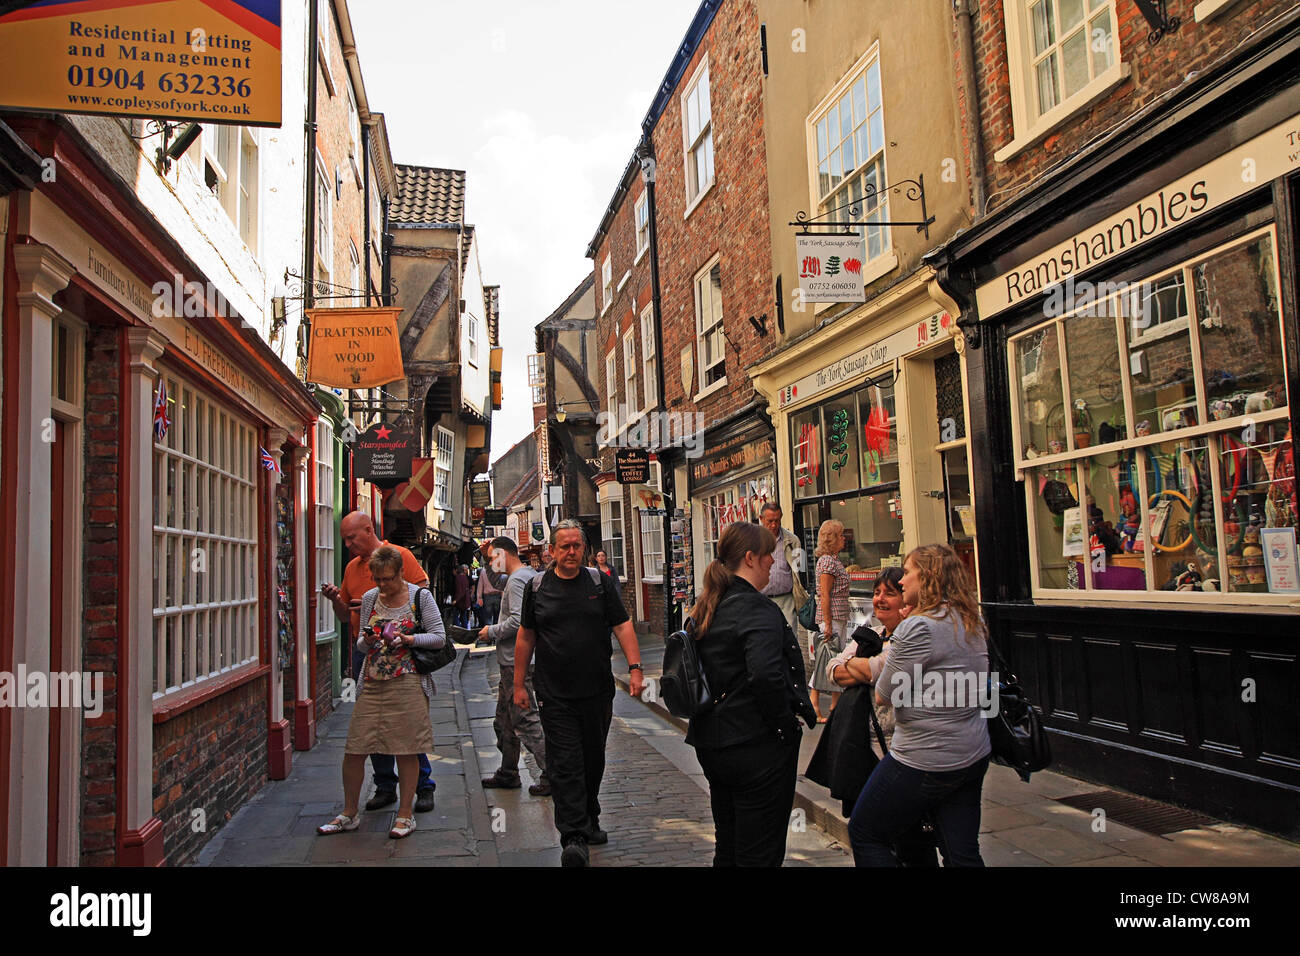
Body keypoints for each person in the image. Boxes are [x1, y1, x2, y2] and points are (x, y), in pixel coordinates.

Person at [847, 544, 992, 867]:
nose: (902, 582)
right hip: (972, 752)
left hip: (924, 756)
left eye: (909, 572)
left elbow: (885, 693)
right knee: (961, 851)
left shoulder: (919, 627)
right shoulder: (970, 619)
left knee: (866, 833)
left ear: (927, 578)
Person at [515, 519, 645, 867]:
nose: (571, 552)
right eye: (564, 546)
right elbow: (526, 636)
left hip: (596, 690)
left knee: (592, 758)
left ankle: (589, 816)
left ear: (583, 548)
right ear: (552, 551)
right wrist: (518, 684)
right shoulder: (538, 587)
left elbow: (622, 624)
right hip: (553, 692)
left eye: (576, 545)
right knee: (565, 761)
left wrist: (635, 669)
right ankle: (573, 835)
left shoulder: (599, 583)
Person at [686, 522, 817, 866]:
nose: (774, 564)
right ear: (749, 558)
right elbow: (765, 675)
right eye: (769, 557)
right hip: (755, 746)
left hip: (713, 743)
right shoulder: (758, 610)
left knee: (728, 844)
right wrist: (785, 726)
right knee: (759, 851)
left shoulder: (706, 607)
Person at [318, 547, 447, 839]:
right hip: (373, 682)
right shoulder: (370, 599)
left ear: (401, 572)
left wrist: (408, 638)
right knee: (355, 749)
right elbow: (361, 646)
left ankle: (404, 815)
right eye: (377, 579)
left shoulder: (420, 597)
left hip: (408, 682)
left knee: (405, 749)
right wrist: (368, 640)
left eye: (388, 579)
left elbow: (439, 638)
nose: (382, 585)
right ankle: (349, 813)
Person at [826, 567, 938, 867]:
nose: (880, 599)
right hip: (862, 749)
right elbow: (831, 669)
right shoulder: (870, 634)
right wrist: (861, 670)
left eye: (890, 592)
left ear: (906, 598)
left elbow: (882, 675)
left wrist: (859, 668)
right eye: (877, 593)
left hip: (900, 750)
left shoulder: (911, 638)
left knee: (906, 836)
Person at [476, 536, 550, 796]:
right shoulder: (525, 575)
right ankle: (508, 772)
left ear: (504, 554)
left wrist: (491, 632)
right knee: (504, 721)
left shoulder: (518, 580)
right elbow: (497, 581)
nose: (492, 563)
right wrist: (485, 558)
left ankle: (552, 773)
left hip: (516, 662)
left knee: (524, 719)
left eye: (493, 557)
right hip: (515, 661)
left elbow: (519, 621)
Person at [810, 519, 850, 722]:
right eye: (841, 535)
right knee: (827, 660)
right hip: (832, 618)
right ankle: (815, 704)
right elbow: (825, 594)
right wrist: (827, 624)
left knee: (834, 659)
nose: (844, 539)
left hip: (838, 616)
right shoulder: (827, 562)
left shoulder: (834, 560)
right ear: (832, 539)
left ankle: (834, 706)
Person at [758, 502, 808, 637]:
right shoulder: (752, 541)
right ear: (761, 519)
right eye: (770, 521)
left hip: (786, 600)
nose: (774, 525)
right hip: (761, 599)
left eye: (777, 520)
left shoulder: (793, 540)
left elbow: (801, 569)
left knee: (789, 638)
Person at [476, 557, 503, 628]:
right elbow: (502, 583)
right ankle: (495, 636)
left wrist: (479, 598)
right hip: (498, 596)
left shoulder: (484, 571)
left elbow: (480, 585)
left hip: (488, 597)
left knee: (488, 618)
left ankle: (489, 636)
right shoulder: (498, 569)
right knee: (497, 618)